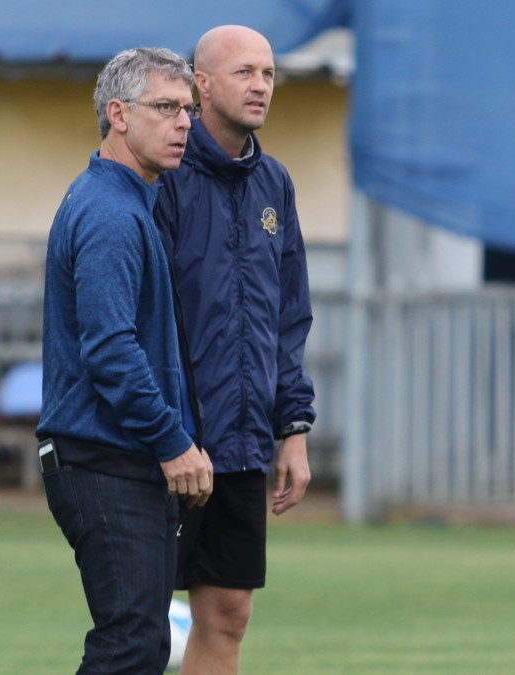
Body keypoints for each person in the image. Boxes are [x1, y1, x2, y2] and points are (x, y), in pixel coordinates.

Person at [36, 46, 213, 674]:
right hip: (102, 459)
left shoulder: (132, 199)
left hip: (118, 458)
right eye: (164, 108)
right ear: (117, 113)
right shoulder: (110, 211)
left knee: (139, 642)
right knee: (131, 644)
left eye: (188, 110)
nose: (183, 124)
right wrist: (172, 440)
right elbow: (109, 349)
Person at [154, 25, 316, 674]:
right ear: (201, 84)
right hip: (166, 441)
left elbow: (289, 317)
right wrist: (165, 432)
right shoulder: (159, 174)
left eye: (269, 73)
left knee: (228, 615)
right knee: (136, 623)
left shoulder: (274, 183)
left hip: (244, 443)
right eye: (244, 72)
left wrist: (293, 429)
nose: (260, 85)